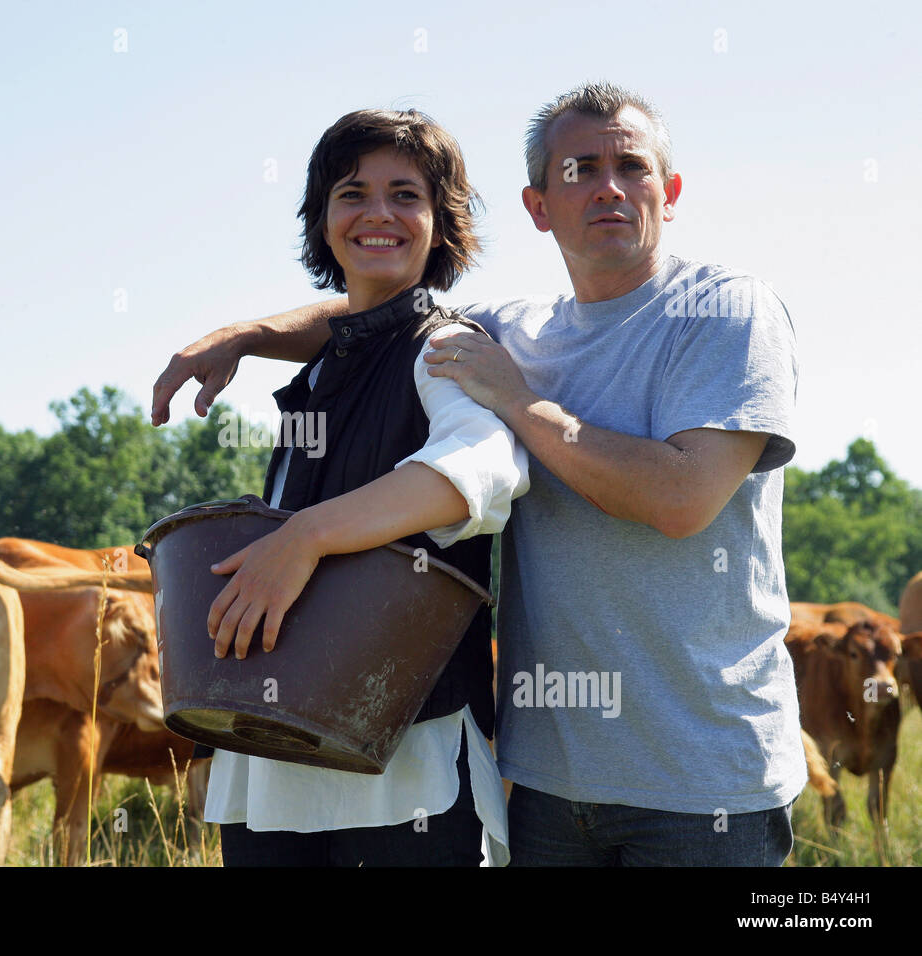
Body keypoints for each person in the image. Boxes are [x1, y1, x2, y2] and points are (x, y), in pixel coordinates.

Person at [153, 82, 805, 866]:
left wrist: (519, 404)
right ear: (537, 205)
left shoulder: (723, 312)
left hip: (701, 776)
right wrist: (246, 336)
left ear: (668, 192)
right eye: (579, 170)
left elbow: (680, 499)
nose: (607, 187)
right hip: (548, 777)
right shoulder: (509, 333)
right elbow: (377, 317)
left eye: (631, 167)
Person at [190, 108, 529, 867]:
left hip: (406, 764)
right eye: (352, 193)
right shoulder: (318, 368)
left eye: (406, 195)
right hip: (275, 762)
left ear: (442, 224)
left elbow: (479, 474)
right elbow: (348, 320)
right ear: (322, 220)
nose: (378, 213)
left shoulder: (445, 346)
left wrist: (304, 536)